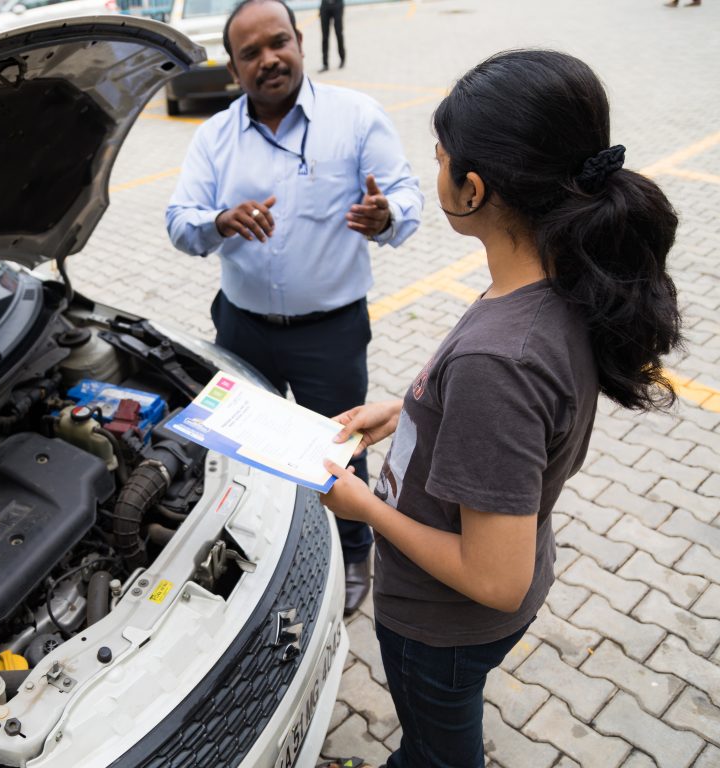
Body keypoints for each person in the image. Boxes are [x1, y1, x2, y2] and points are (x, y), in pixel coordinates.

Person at [318, 49, 682, 767]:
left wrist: (362, 507)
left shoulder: (501, 357)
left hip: (442, 622)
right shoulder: (556, 284)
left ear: (473, 189)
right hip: (477, 603)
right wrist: (409, 411)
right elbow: (515, 419)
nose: (436, 171)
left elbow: (494, 578)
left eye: (441, 158)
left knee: (438, 752)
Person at [165, 0, 423, 616]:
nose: (268, 59)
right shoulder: (214, 137)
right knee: (240, 455)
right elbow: (179, 223)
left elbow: (407, 195)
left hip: (329, 333)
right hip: (241, 328)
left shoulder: (356, 117)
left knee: (337, 455)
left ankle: (354, 551)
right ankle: (258, 548)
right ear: (233, 68)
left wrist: (388, 216)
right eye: (250, 53)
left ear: (301, 41)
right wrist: (219, 221)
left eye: (277, 42)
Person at [318, 0, 345, 71]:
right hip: (325, 5)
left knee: (339, 33)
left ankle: (342, 58)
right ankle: (325, 63)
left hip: (337, 4)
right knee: (325, 36)